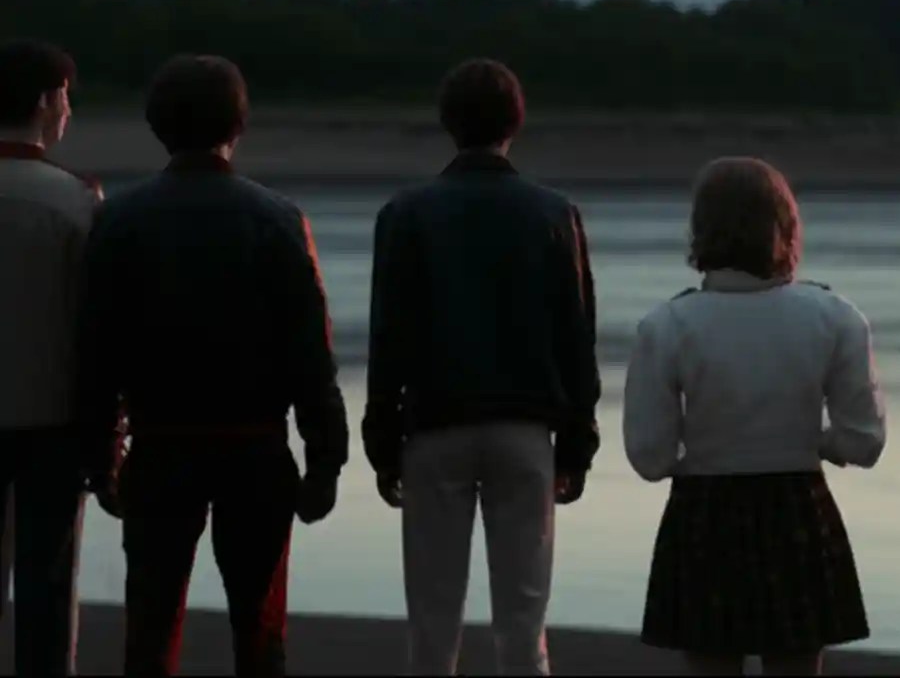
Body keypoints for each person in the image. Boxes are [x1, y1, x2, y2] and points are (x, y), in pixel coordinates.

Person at [76, 55, 349, 676]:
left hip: (159, 446)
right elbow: (311, 353)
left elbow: (95, 350)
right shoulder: (278, 220)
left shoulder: (118, 220)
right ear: (239, 125)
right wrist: (325, 458)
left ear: (157, 126)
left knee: (150, 624)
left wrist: (100, 455)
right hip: (255, 450)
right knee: (259, 630)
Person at [362, 58, 600, 676]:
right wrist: (577, 442)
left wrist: (382, 439)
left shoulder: (406, 214)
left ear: (448, 123)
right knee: (524, 617)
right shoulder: (554, 213)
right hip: (525, 429)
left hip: (435, 425)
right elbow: (576, 337)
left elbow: (389, 338)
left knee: (433, 618)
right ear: (514, 123)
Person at [623, 157, 887, 677]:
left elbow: (650, 456)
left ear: (701, 231)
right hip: (797, 509)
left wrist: (704, 452)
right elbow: (864, 441)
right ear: (786, 229)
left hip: (705, 512)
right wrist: (816, 444)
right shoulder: (835, 318)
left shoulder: (667, 325)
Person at [0, 39, 100, 677]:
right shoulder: (74, 200)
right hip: (53, 427)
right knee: (48, 588)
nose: (68, 112)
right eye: (65, 97)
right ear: (45, 102)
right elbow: (98, 327)